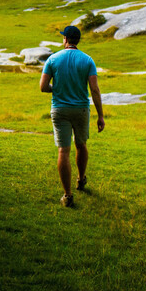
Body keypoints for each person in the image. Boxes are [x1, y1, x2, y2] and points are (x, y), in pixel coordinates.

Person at [39, 25, 105, 207]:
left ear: (65, 39)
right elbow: (94, 89)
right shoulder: (88, 60)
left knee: (63, 151)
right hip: (81, 109)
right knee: (81, 144)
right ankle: (81, 179)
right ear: (78, 40)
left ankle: (67, 196)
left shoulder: (53, 59)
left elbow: (43, 86)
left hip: (59, 109)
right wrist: (100, 116)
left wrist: (56, 89)